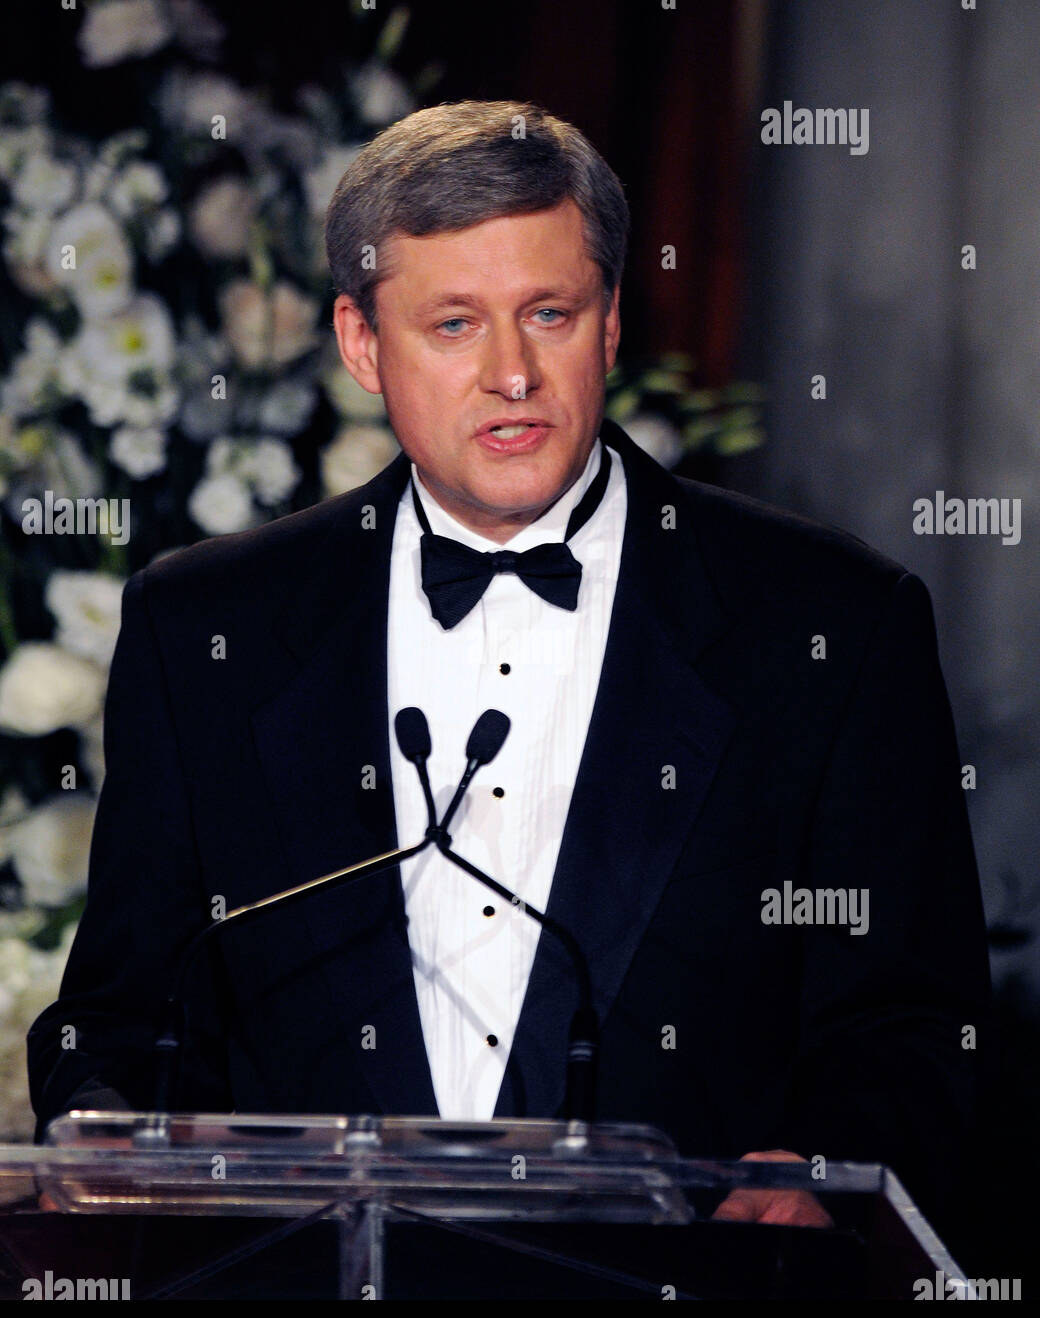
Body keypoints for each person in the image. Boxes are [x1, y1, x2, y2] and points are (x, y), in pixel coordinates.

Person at [28, 102, 990, 1236]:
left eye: (548, 313)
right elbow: (122, 1014)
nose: (511, 374)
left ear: (612, 322)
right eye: (451, 324)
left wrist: (820, 1173)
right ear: (358, 341)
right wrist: (104, 1139)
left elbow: (915, 1025)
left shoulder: (830, 624)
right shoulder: (200, 628)